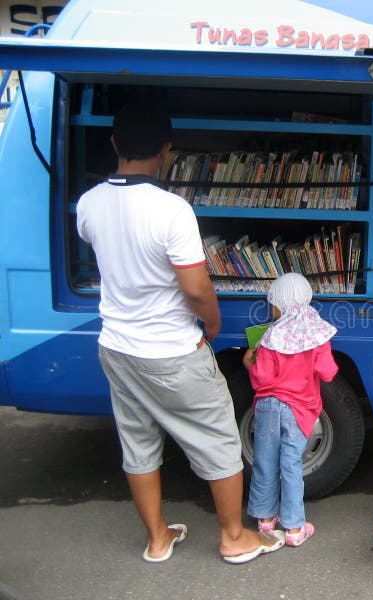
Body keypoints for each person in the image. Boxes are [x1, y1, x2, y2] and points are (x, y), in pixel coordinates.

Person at [77, 104, 283, 564]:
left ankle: (157, 539)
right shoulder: (172, 210)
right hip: (171, 348)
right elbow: (195, 286)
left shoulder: (89, 203)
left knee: (138, 443)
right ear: (167, 151)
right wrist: (211, 323)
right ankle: (234, 537)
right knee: (219, 439)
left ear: (114, 144)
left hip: (116, 346)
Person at [243, 272, 338, 547]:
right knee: (291, 465)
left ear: (281, 305)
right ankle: (295, 528)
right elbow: (328, 372)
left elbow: (262, 378)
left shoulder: (271, 335)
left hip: (268, 407)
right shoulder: (317, 334)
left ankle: (265, 519)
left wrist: (250, 363)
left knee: (264, 462)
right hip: (299, 410)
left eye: (272, 304)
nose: (271, 309)